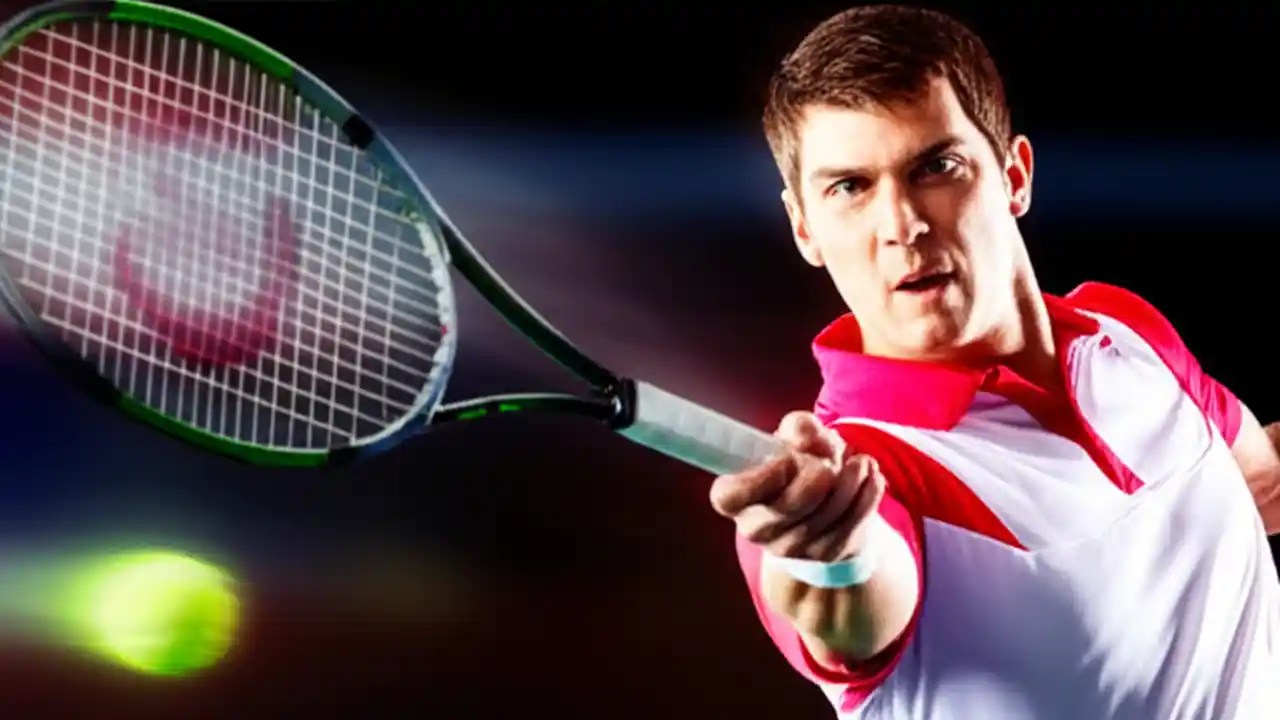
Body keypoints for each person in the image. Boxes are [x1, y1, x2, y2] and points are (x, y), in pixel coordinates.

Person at [708, 5, 1280, 719]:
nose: (902, 224)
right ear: (804, 227)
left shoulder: (1124, 331)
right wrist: (829, 555)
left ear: (1015, 174)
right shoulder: (856, 480)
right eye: (849, 187)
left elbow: (1260, 481)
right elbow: (849, 615)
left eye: (936, 167)